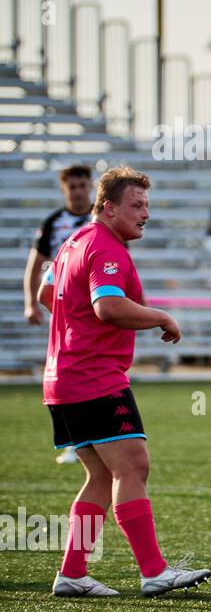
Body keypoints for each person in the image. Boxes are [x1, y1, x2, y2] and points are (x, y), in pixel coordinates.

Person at [38, 166, 211, 599]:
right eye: (136, 205)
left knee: (99, 476)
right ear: (109, 207)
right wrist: (161, 317)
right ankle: (154, 571)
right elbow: (108, 307)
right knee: (133, 466)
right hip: (93, 377)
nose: (145, 214)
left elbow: (47, 294)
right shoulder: (105, 247)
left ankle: (73, 573)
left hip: (62, 378)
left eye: (147, 205)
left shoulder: (73, 241)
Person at [24, 165, 94, 465]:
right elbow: (35, 264)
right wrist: (30, 302)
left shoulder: (102, 218)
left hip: (96, 309)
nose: (78, 191)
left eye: (82, 185)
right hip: (64, 311)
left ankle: (98, 438)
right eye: (72, 187)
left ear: (90, 186)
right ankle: (73, 442)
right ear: (65, 190)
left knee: (96, 373)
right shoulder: (53, 223)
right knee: (66, 375)